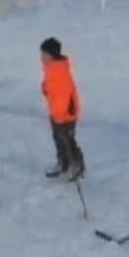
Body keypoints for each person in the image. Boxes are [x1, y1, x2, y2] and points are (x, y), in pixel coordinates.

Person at [40, 38, 84, 181]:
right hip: (56, 113)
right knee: (58, 139)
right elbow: (51, 88)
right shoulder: (50, 68)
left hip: (66, 114)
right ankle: (63, 162)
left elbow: (64, 95)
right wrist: (45, 88)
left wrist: (60, 114)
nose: (41, 57)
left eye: (44, 54)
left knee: (67, 140)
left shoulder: (59, 70)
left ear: (51, 55)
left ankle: (76, 165)